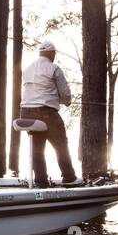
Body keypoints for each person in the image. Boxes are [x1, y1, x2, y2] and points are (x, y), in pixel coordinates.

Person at [19, 39, 78, 186]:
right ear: (51, 53)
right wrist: (67, 101)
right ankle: (69, 178)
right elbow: (64, 94)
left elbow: (34, 91)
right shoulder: (54, 68)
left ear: (40, 53)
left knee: (37, 149)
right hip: (46, 113)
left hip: (25, 113)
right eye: (54, 54)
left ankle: (41, 181)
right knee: (60, 145)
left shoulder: (27, 69)